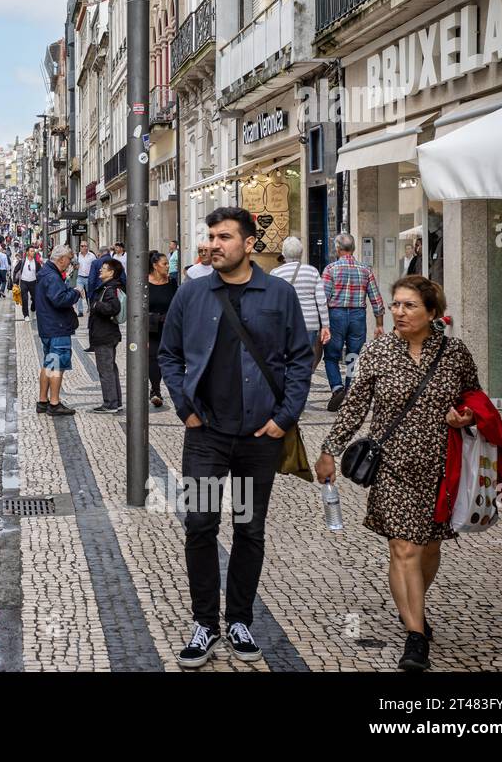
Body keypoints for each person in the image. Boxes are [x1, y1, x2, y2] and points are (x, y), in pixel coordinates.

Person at [158, 206, 312, 669]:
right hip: (208, 434)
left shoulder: (278, 294)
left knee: (248, 529)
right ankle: (205, 622)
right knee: (201, 524)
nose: (213, 244)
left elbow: (300, 358)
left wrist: (284, 418)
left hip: (256, 436)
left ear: (249, 244)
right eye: (210, 236)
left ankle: (239, 619)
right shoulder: (192, 293)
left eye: (224, 237)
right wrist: (185, 409)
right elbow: (169, 354)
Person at [317, 276, 480, 672]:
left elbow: (473, 397)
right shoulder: (378, 351)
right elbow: (354, 407)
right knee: (403, 548)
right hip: (391, 464)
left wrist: (465, 416)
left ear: (432, 313)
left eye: (409, 306)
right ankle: (415, 634)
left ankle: (413, 606)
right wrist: (329, 451)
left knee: (429, 548)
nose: (399, 312)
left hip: (440, 466)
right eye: (395, 305)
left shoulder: (455, 353)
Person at [322, 233, 386, 411]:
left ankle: (337, 389)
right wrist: (379, 324)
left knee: (331, 356)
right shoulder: (365, 270)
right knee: (354, 356)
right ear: (354, 249)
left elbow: (323, 298)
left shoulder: (330, 269)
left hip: (335, 315)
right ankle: (349, 392)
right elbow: (377, 300)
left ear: (337, 248)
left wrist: (323, 323)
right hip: (358, 315)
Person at [271, 236, 329, 372]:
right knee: (304, 358)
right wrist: (326, 325)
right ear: (301, 253)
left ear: (283, 254)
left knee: (286, 357)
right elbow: (321, 301)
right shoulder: (312, 271)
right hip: (309, 323)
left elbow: (272, 302)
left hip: (285, 323)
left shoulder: (276, 273)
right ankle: (301, 384)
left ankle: (287, 385)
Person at [34, 245, 79, 416]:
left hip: (48, 326)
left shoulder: (46, 273)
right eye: (69, 259)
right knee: (56, 365)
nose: (70, 263)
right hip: (57, 327)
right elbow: (60, 299)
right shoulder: (52, 277)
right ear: (61, 259)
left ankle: (42, 401)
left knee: (48, 364)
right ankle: (54, 403)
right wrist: (75, 293)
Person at [88, 257, 125, 413]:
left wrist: (96, 305)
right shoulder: (108, 287)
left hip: (105, 334)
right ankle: (116, 401)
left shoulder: (110, 288)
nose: (100, 270)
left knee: (106, 370)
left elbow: (113, 308)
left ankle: (110, 403)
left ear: (111, 272)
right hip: (107, 333)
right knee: (111, 368)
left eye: (103, 268)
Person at [147, 250, 179, 408]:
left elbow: (177, 304)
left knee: (167, 359)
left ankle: (172, 390)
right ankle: (155, 390)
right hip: (150, 328)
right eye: (165, 264)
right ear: (155, 265)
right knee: (153, 358)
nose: (168, 266)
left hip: (168, 327)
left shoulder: (172, 282)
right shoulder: (144, 283)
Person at [13, 247, 42, 321]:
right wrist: (15, 282)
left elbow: (41, 273)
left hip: (33, 283)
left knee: (36, 299)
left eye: (33, 251)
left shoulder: (36, 262)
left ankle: (33, 307)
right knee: (25, 299)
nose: (33, 252)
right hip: (24, 282)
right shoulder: (22, 261)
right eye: (31, 251)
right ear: (27, 252)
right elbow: (15, 271)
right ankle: (26, 315)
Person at [75, 241, 97, 316]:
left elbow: (95, 266)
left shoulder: (92, 256)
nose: (84, 247)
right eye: (82, 246)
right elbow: (74, 266)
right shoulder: (77, 255)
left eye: (85, 246)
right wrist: (75, 267)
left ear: (88, 247)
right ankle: (80, 311)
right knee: (79, 294)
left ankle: (90, 308)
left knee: (89, 294)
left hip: (89, 277)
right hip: (80, 277)